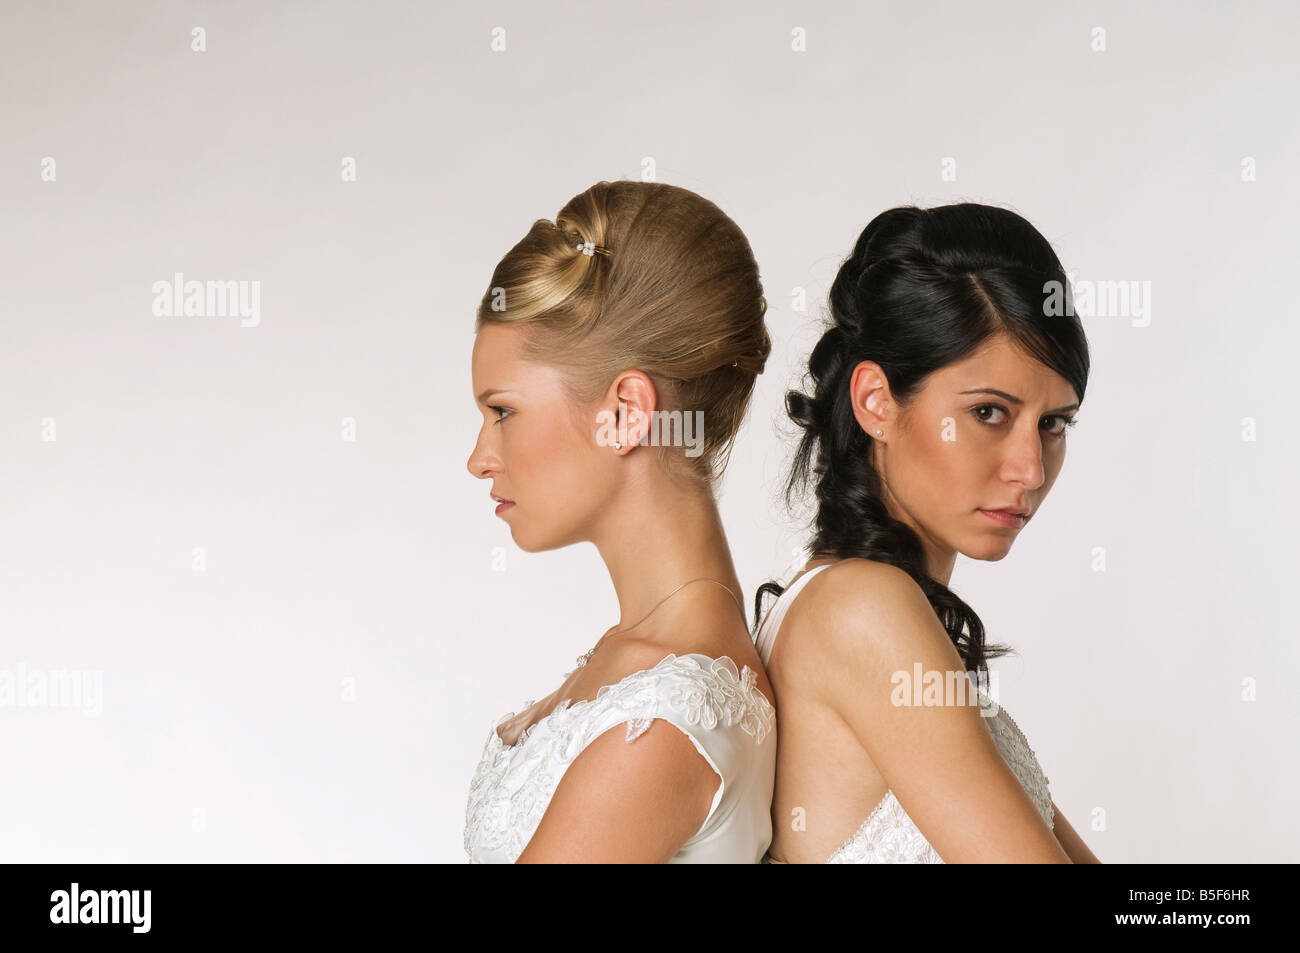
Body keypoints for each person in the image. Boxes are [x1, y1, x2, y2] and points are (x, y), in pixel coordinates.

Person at [754, 203, 1101, 863]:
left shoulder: (854, 607)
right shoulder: (863, 610)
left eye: (1053, 423)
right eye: (989, 412)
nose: (1029, 469)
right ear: (875, 401)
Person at [463, 180, 776, 863]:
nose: (479, 458)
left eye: (503, 411)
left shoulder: (666, 722)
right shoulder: (638, 663)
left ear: (626, 411)